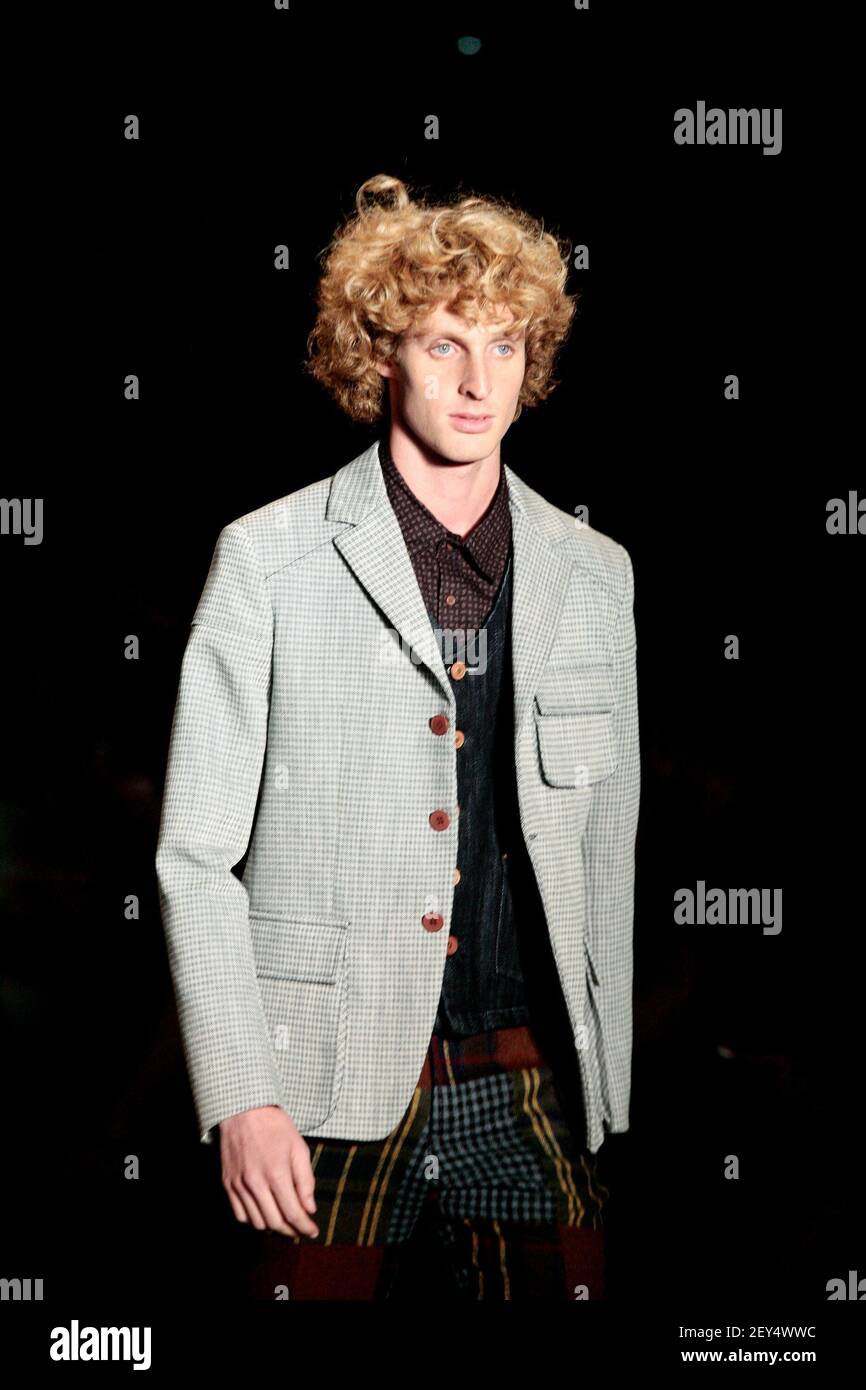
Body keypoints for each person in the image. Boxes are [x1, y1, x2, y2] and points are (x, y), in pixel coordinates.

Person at [155, 172, 640, 1300]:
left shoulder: (595, 575)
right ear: (376, 355)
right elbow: (192, 857)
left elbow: (603, 844)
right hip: (321, 1071)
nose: (479, 382)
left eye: (507, 346)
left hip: (530, 1069)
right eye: (442, 345)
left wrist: (606, 1082)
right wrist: (240, 1091)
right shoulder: (266, 559)